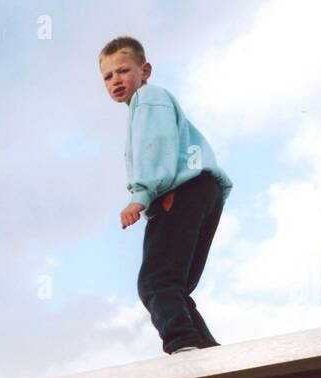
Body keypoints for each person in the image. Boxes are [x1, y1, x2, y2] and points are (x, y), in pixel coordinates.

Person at [100, 36, 234, 355]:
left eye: (123, 70)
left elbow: (155, 146)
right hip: (203, 191)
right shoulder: (149, 102)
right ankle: (207, 352)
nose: (116, 80)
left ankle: (183, 346)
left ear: (145, 71)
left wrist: (141, 196)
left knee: (156, 282)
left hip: (178, 190)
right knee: (175, 286)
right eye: (108, 76)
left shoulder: (148, 98)